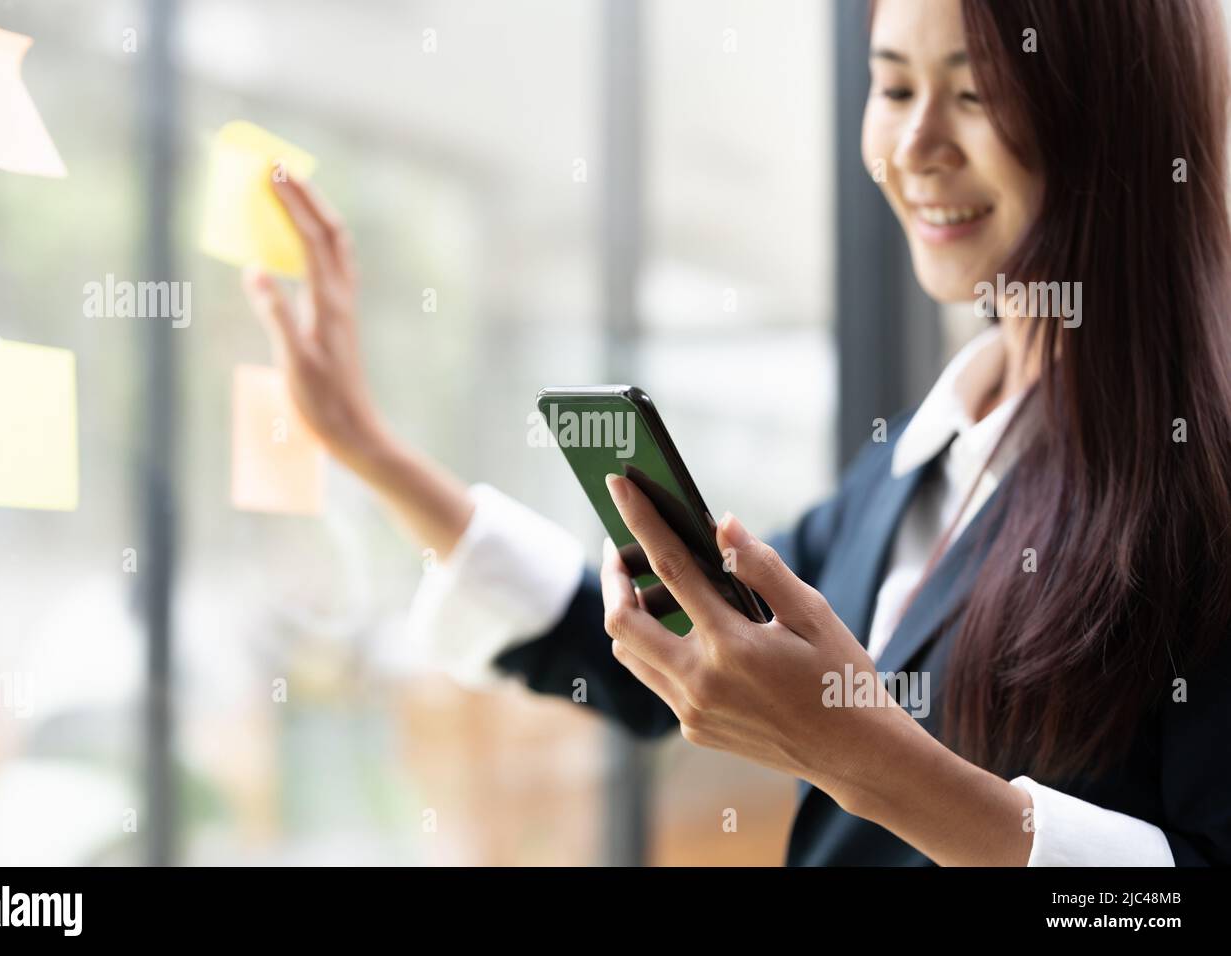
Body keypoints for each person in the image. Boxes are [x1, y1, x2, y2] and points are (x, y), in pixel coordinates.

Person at [241, 0, 1231, 865]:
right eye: (891, 89)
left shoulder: (1206, 477)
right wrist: (367, 444)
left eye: (974, 95)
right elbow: (653, 651)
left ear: (1115, 119)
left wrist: (854, 753)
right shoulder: (917, 458)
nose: (919, 144)